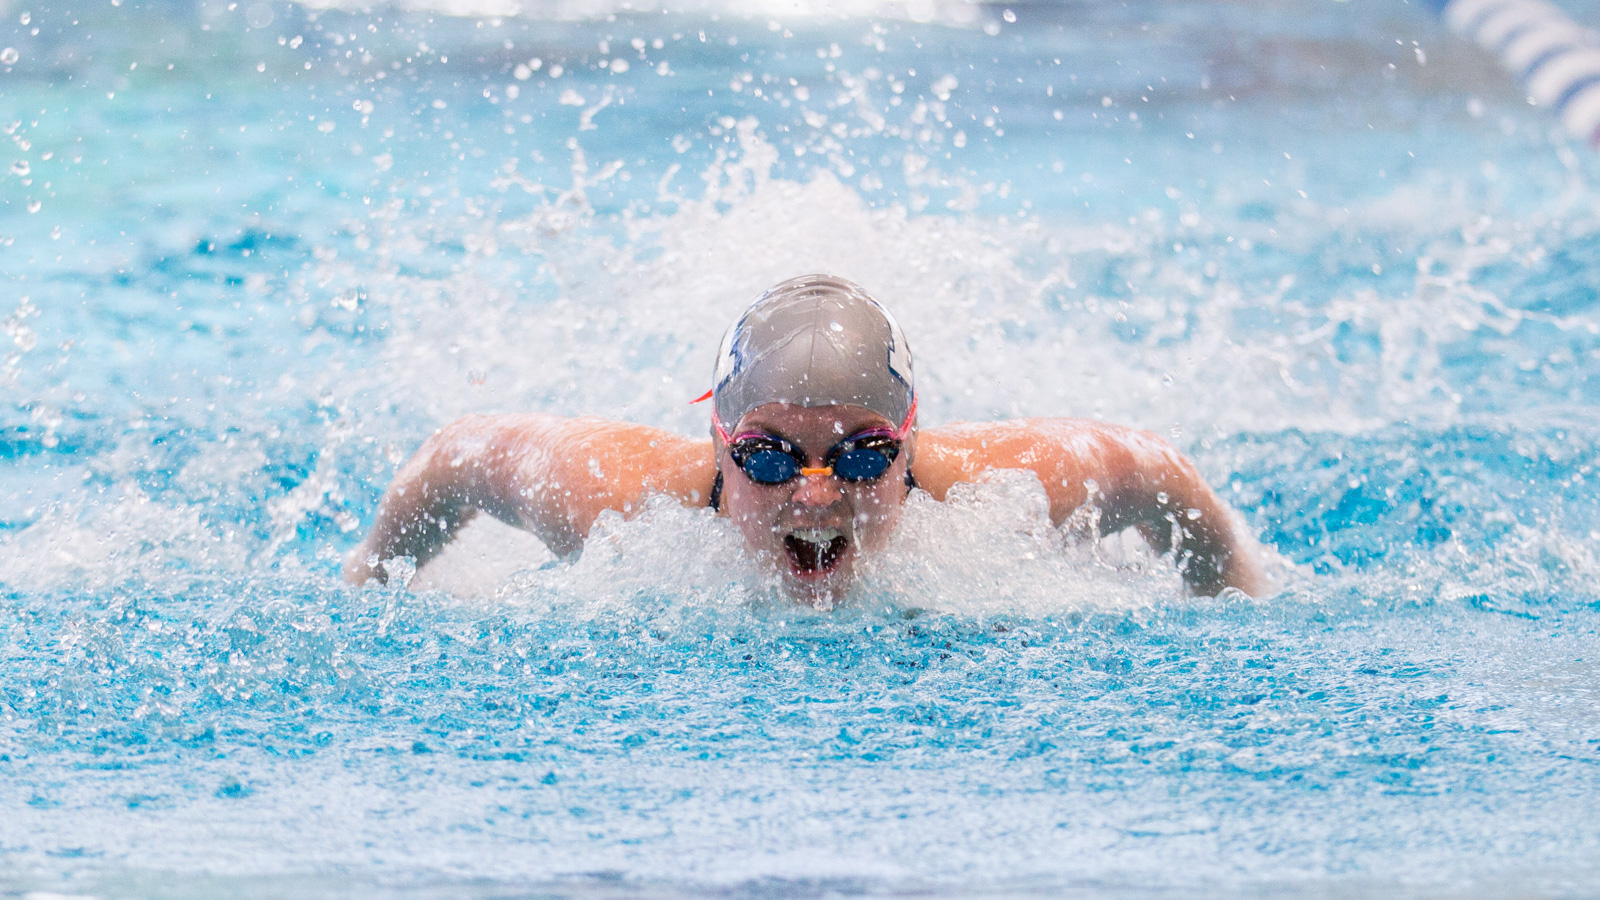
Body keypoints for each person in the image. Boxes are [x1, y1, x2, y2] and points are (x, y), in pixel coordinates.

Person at [344, 274, 1269, 603]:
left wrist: (1233, 602)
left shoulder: (1001, 493)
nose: (816, 494)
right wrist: (368, 589)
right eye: (770, 457)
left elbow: (1157, 470)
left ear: (912, 443)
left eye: (865, 455)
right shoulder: (621, 506)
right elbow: (457, 454)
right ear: (717, 444)